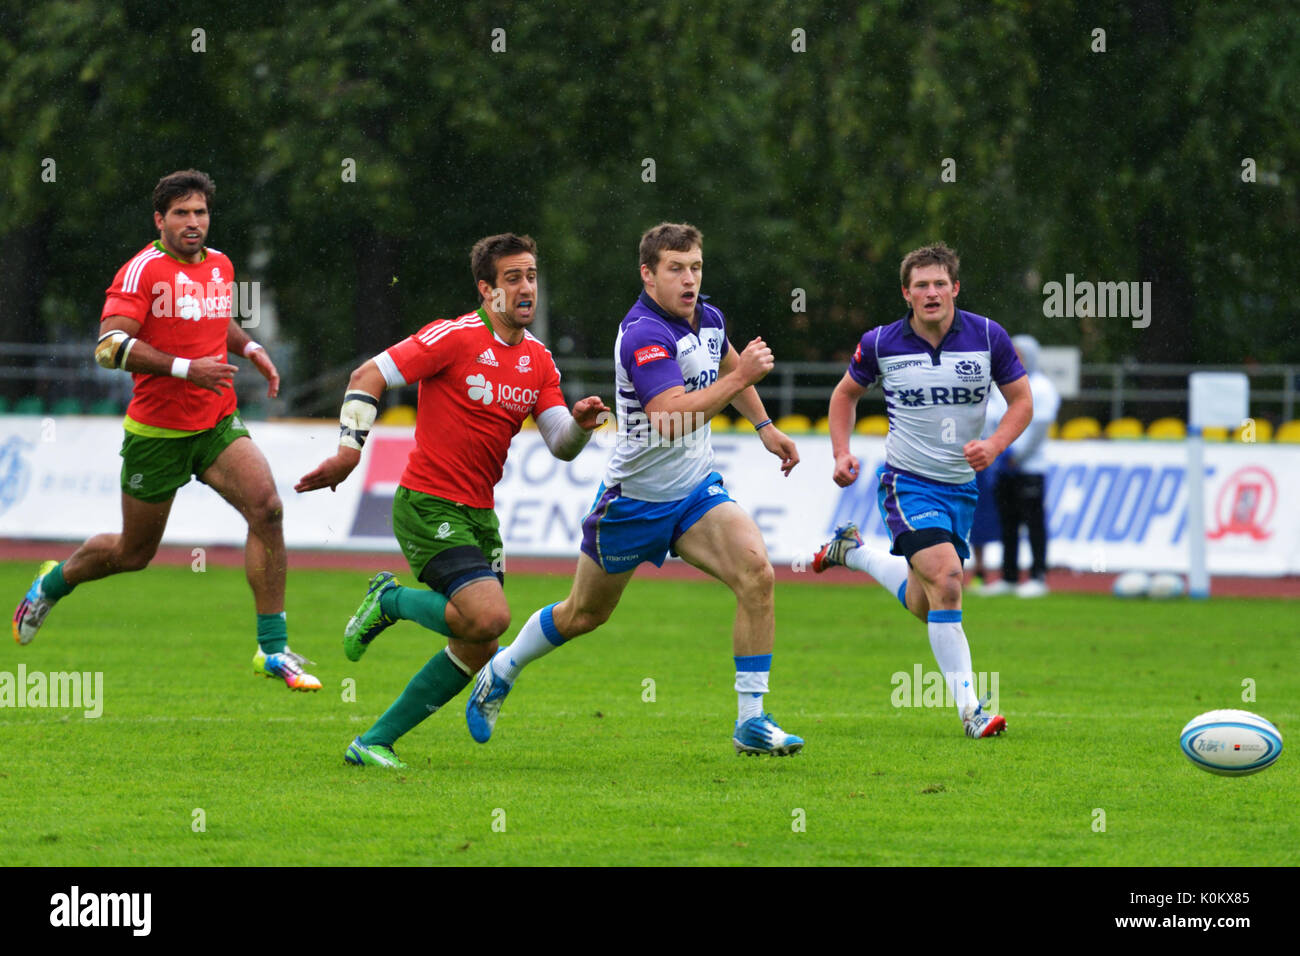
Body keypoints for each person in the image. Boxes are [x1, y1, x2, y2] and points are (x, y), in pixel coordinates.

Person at [464, 222, 805, 756]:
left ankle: (752, 721)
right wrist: (739, 383)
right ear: (648, 274)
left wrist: (765, 428)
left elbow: (729, 364)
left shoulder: (708, 318)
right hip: (635, 502)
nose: (688, 278)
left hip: (695, 491)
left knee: (757, 574)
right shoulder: (644, 332)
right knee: (584, 614)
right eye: (675, 268)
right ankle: (502, 668)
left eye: (694, 266)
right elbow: (669, 418)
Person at [295, 233, 608, 768]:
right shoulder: (454, 336)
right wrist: (349, 454)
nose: (525, 288)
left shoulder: (539, 361)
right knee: (488, 618)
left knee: (476, 643)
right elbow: (366, 375)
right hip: (428, 504)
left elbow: (559, 443)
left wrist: (579, 425)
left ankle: (372, 742)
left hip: (479, 516)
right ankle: (389, 601)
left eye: (531, 276)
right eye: (512, 279)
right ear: (487, 290)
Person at [11, 169, 318, 691]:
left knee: (267, 508)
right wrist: (185, 368)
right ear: (160, 220)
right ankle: (52, 582)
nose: (193, 222)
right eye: (182, 213)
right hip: (157, 434)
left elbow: (215, 319)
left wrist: (253, 349)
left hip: (216, 421)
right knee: (134, 554)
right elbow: (108, 347)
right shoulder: (142, 272)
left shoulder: (220, 265)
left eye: (200, 212)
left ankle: (272, 651)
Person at [811, 242, 1032, 738]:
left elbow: (1022, 402)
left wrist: (994, 445)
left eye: (939, 283)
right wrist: (840, 452)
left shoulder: (987, 336)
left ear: (955, 288)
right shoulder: (881, 342)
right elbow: (845, 394)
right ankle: (973, 712)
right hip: (906, 483)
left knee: (926, 598)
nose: (931, 292)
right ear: (906, 294)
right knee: (949, 577)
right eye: (920, 285)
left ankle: (854, 553)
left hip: (961, 489)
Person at [979, 334, 1060, 597]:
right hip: (1003, 465)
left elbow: (1038, 429)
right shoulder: (1002, 385)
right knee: (1008, 523)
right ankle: (1009, 576)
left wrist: (1017, 455)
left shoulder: (1042, 387)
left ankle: (1038, 576)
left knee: (1033, 523)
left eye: (1020, 354)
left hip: (1030, 467)